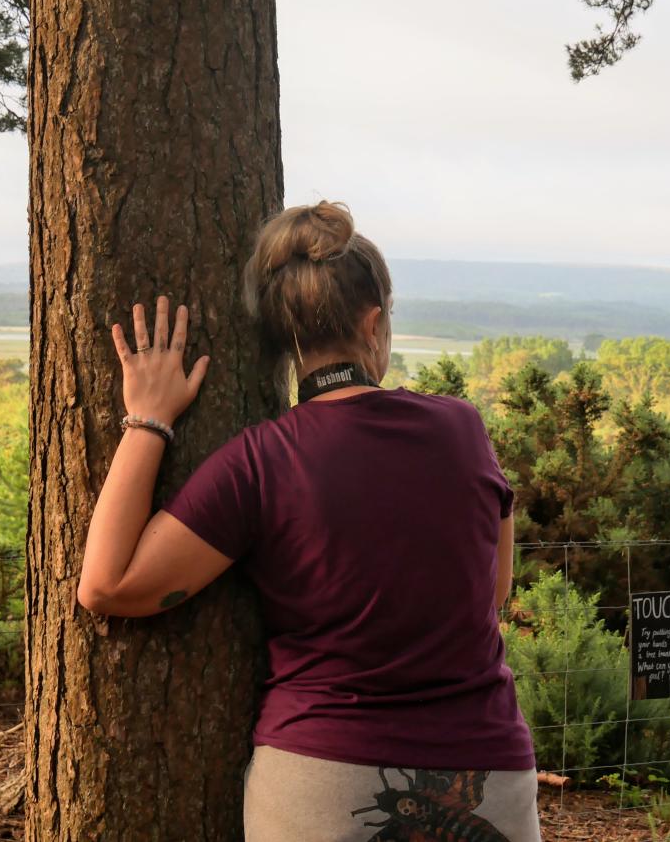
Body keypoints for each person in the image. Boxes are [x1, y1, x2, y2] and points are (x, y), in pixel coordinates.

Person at [76, 200, 541, 841]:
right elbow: (491, 593)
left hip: (325, 778)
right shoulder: (463, 430)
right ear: (373, 324)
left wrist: (148, 420)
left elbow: (107, 587)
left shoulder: (262, 461)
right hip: (485, 775)